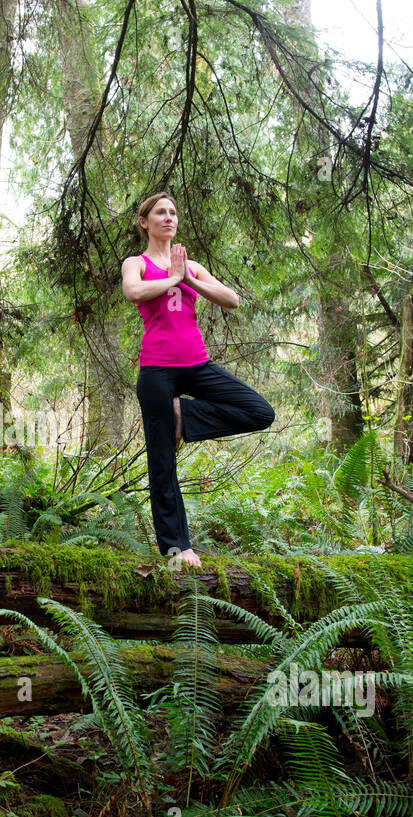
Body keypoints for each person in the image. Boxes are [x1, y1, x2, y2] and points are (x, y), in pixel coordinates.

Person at [121, 192, 275, 567]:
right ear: (145, 222)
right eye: (160, 212)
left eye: (173, 212)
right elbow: (132, 291)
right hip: (156, 371)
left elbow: (232, 299)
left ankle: (183, 417)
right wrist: (171, 278)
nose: (168, 217)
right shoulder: (135, 263)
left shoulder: (192, 265)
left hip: (197, 365)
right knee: (162, 461)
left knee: (260, 412)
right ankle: (177, 548)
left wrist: (187, 277)